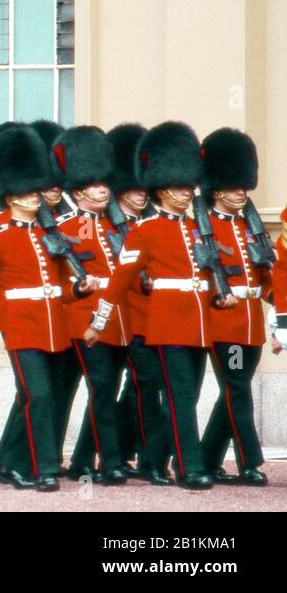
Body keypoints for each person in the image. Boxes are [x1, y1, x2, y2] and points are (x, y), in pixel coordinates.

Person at [0, 125, 95, 491]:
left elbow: (57, 288)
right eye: (30, 191)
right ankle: (42, 467)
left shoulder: (49, 235)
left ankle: (11, 463)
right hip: (20, 325)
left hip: (53, 326)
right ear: (13, 195)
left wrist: (78, 291)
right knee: (40, 395)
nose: (38, 197)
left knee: (29, 398)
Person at [103, 121, 234, 491]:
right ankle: (189, 467)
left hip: (197, 322)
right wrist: (101, 317)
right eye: (179, 187)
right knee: (178, 396)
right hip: (166, 322)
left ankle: (152, 458)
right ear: (162, 190)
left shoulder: (197, 229)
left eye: (188, 186)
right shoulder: (144, 230)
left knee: (186, 398)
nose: (186, 192)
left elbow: (205, 275)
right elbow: (123, 277)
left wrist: (218, 294)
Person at [50, 125, 132, 486]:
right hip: (84, 322)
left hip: (118, 322)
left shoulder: (120, 228)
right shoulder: (63, 227)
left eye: (104, 184)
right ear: (79, 189)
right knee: (99, 389)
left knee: (106, 391)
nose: (103, 190)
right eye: (95, 185)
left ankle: (83, 459)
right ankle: (110, 461)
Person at [198, 127, 272, 486]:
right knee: (238, 388)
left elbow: (268, 279)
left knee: (233, 390)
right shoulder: (203, 228)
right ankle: (249, 462)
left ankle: (208, 459)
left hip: (251, 324)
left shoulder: (250, 228)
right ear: (216, 188)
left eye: (243, 186)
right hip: (223, 323)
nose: (240, 192)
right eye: (233, 187)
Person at [105, 123, 169, 482]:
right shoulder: (108, 226)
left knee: (141, 387)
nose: (139, 193)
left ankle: (129, 451)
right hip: (123, 318)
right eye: (131, 187)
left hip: (152, 318)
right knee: (136, 385)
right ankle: (140, 456)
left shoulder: (153, 223)